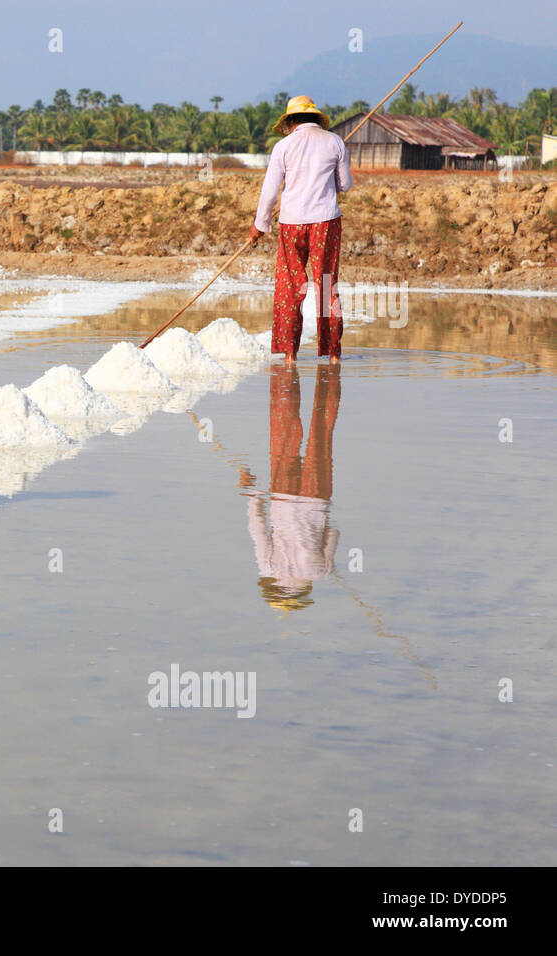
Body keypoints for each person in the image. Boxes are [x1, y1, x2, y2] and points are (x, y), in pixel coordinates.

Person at [247, 95, 352, 365]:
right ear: (316, 119)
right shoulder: (335, 142)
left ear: (291, 121)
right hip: (325, 223)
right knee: (327, 285)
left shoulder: (283, 146)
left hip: (291, 224)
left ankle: (290, 354)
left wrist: (260, 226)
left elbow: (269, 191)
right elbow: (345, 185)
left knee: (290, 287)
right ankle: (333, 355)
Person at [240, 363, 342, 612]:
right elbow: (257, 528)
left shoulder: (320, 573)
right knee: (284, 433)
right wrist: (251, 491)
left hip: (316, 499)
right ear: (273, 586)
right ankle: (287, 379)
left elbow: (334, 534)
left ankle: (327, 379)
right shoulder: (268, 568)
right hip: (282, 498)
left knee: (322, 433)